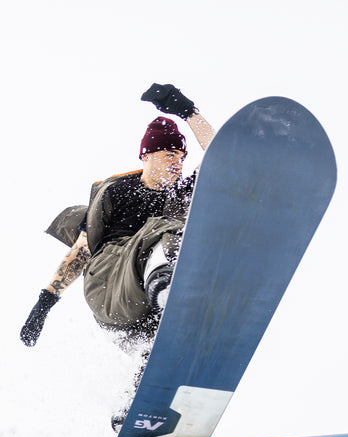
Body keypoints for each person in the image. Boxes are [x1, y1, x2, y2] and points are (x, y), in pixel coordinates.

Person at [20, 83, 215, 352]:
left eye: (182, 158)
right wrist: (45, 302)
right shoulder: (118, 191)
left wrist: (188, 111)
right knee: (165, 228)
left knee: (145, 355)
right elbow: (82, 249)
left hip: (139, 307)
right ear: (146, 156)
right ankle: (168, 291)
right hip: (108, 284)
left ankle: (143, 372)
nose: (178, 164)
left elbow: (221, 157)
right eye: (170, 154)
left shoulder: (180, 193)